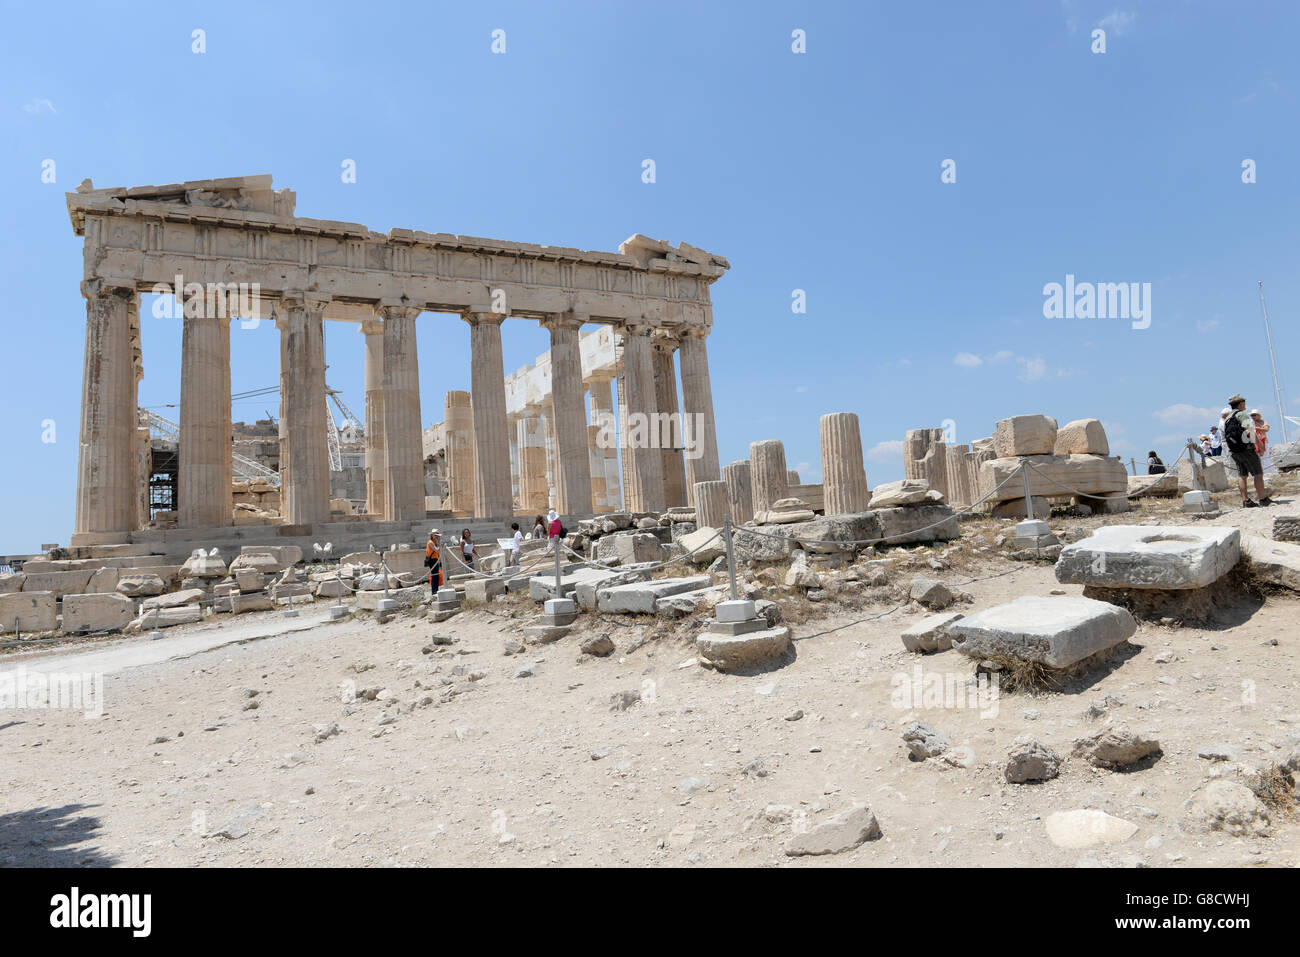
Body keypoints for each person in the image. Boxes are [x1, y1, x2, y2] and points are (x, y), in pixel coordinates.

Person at [1224, 394, 1272, 507]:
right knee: (1258, 474)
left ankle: (1246, 501)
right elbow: (1250, 431)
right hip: (1246, 449)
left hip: (1235, 450)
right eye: (1244, 403)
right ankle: (1263, 499)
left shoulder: (1227, 418)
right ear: (1240, 404)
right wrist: (1259, 446)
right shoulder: (1242, 415)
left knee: (1242, 475)